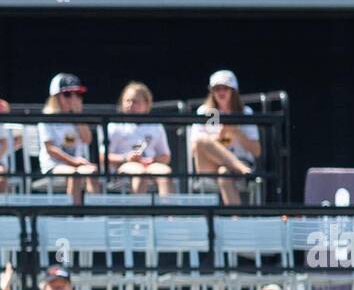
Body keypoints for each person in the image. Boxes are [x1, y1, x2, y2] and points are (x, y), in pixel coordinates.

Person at [190, 70, 261, 206]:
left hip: (240, 163)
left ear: (233, 91)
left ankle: (236, 221)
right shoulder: (206, 112)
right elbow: (194, 149)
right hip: (210, 165)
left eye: (225, 88)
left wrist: (236, 132)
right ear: (211, 91)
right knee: (202, 140)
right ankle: (239, 168)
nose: (221, 92)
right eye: (217, 89)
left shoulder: (245, 112)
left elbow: (257, 151)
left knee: (224, 174)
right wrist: (219, 136)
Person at [39, 74, 98, 205]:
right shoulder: (47, 118)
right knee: (75, 175)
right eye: (67, 95)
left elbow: (87, 139)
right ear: (55, 97)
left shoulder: (76, 117)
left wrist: (78, 116)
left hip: (77, 163)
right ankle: (73, 216)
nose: (73, 99)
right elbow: (51, 149)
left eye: (77, 95)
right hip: (54, 165)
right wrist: (74, 162)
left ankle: (97, 217)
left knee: (93, 172)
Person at [107, 81, 173, 196]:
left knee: (165, 173)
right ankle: (138, 213)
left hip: (151, 165)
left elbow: (166, 156)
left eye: (135, 102)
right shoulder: (114, 125)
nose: (130, 105)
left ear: (147, 104)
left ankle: (168, 213)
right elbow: (104, 156)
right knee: (140, 173)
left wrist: (153, 160)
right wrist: (126, 158)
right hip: (124, 166)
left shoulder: (156, 126)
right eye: (127, 101)